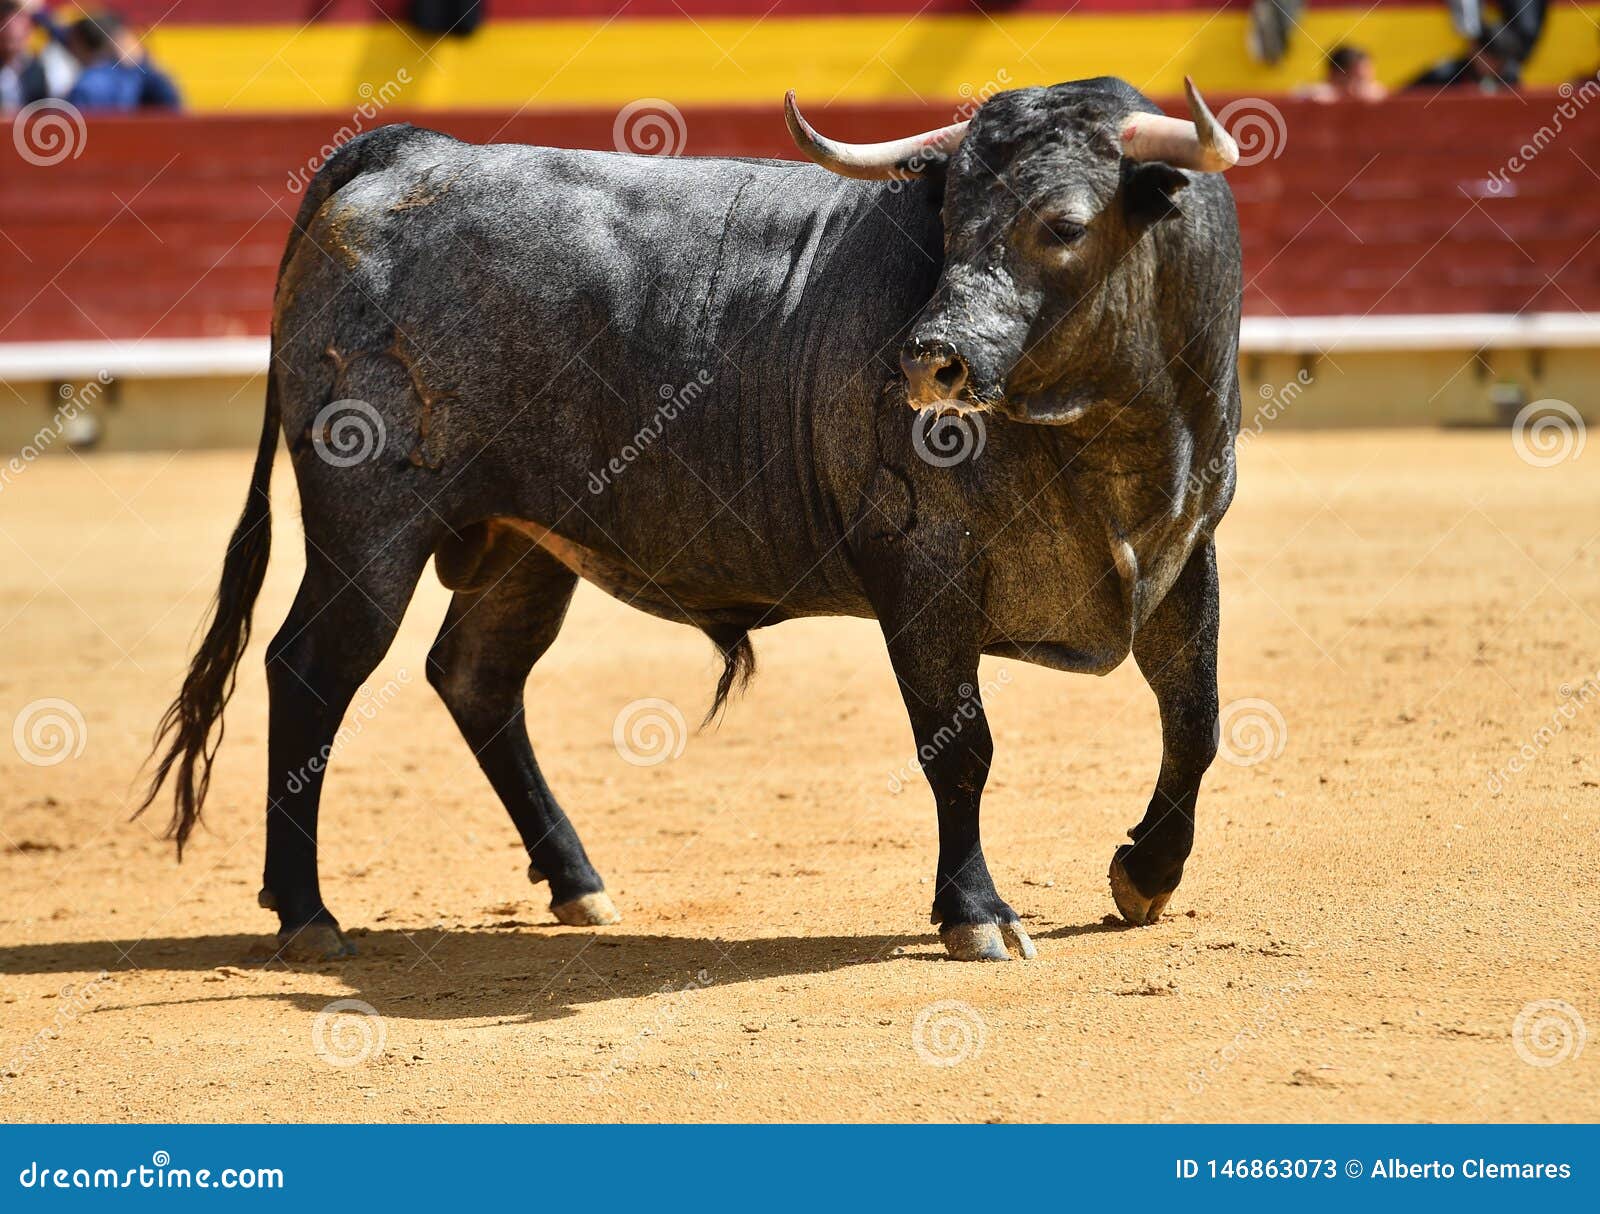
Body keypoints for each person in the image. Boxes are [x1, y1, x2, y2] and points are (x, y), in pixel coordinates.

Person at [64, 9, 179, 110]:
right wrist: (142, 61)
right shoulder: (137, 76)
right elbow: (173, 106)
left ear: (79, 44)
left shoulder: (88, 86)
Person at [1409, 22, 1530, 91]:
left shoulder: (1508, 77)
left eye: (1500, 59)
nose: (1495, 65)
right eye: (1490, 56)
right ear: (1474, 49)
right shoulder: (1445, 75)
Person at [1297, 45, 1389, 103]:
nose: (1362, 88)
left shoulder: (1377, 94)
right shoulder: (1314, 95)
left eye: (1367, 81)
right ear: (1334, 75)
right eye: (1357, 80)